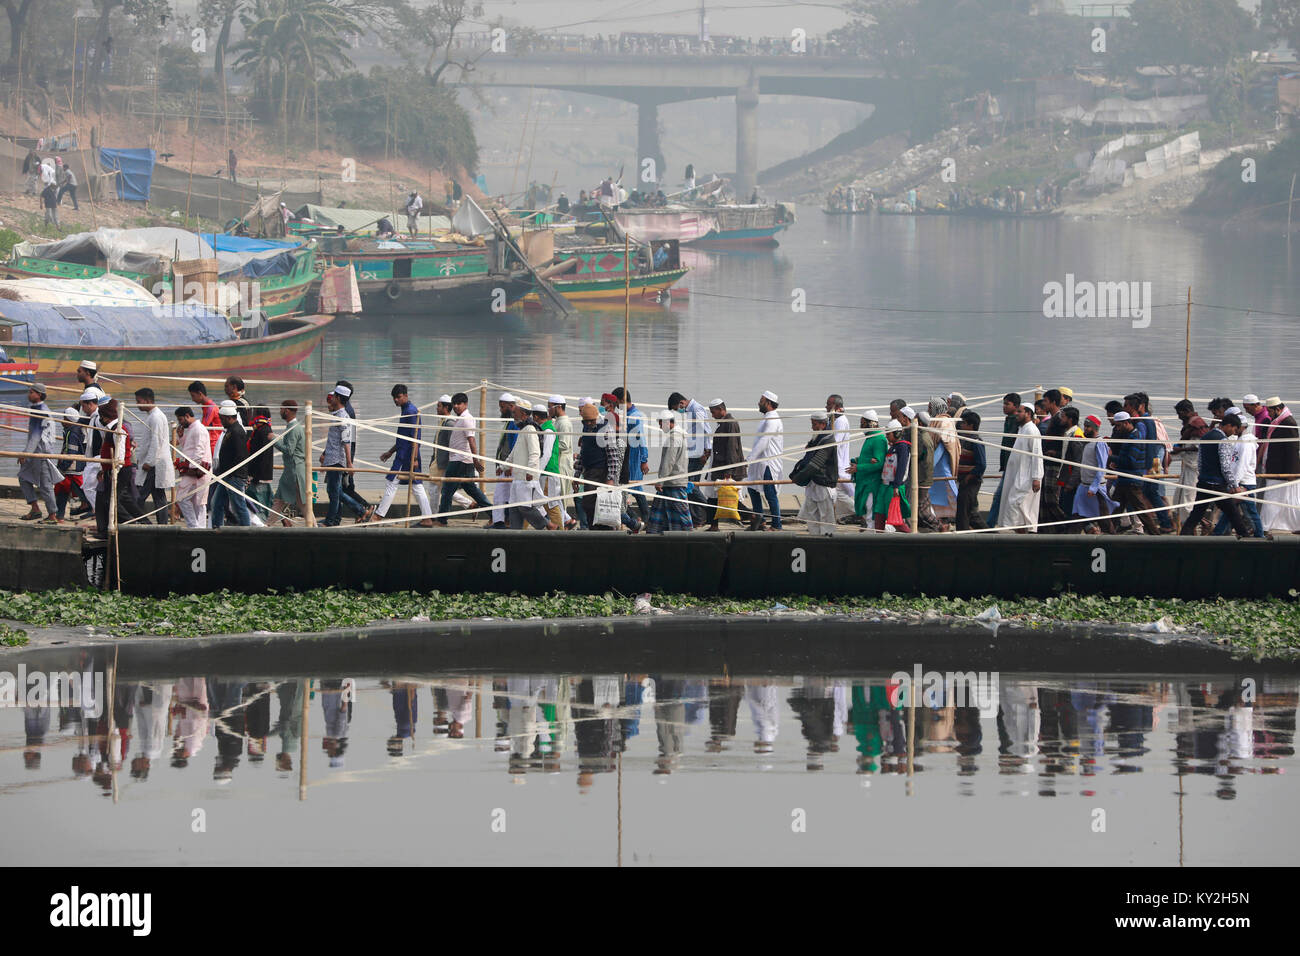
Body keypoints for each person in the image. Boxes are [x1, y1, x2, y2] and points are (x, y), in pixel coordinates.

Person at [1179, 413, 1256, 538]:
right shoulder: (1223, 440)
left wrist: (1202, 476)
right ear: (1229, 425)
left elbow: (1200, 462)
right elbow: (1226, 466)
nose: (1233, 433)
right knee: (1233, 513)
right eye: (1234, 430)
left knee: (1196, 514)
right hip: (1217, 485)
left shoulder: (1205, 437)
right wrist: (1234, 485)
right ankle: (1246, 538)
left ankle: (1182, 538)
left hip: (1204, 482)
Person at [373, 384, 434, 527]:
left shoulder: (411, 411)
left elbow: (415, 438)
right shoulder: (405, 410)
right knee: (417, 486)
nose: (396, 400)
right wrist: (390, 452)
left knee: (392, 483)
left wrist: (414, 459)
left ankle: (378, 516)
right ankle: (427, 518)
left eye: (399, 397)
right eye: (394, 398)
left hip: (406, 457)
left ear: (405, 396)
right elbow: (402, 438)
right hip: (403, 453)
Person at [437, 392, 492, 524]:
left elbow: (471, 440)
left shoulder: (466, 418)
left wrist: (475, 460)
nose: (456, 406)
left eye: (459, 404)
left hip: (460, 460)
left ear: (465, 404)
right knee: (472, 490)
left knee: (447, 490)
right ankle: (494, 514)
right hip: (462, 460)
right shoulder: (460, 418)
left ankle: (442, 520)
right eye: (454, 404)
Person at [94, 399, 146, 536]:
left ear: (104, 417)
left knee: (111, 500)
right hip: (113, 469)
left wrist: (115, 470)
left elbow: (120, 453)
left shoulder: (118, 430)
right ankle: (141, 521)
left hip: (120, 470)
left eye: (102, 417)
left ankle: (131, 523)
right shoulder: (112, 428)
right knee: (120, 498)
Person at [1213, 407, 1266, 538]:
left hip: (1244, 483)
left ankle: (1259, 536)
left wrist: (1234, 484)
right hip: (1239, 482)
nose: (1235, 430)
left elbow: (1242, 464)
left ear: (1242, 427)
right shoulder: (1240, 441)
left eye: (1237, 427)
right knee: (1229, 510)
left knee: (1250, 512)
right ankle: (1218, 533)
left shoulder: (1246, 443)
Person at [319, 388, 368, 526]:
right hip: (332, 459)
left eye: (334, 396)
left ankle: (334, 520)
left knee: (334, 491)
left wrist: (349, 463)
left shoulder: (344, 417)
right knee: (335, 491)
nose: (332, 398)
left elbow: (347, 441)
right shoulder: (337, 414)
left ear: (339, 398)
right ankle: (337, 518)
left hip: (337, 460)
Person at [503, 400, 553, 530]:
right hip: (518, 477)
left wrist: (530, 471)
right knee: (514, 506)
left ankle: (548, 525)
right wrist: (504, 466)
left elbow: (535, 453)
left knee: (525, 507)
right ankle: (515, 533)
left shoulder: (530, 429)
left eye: (516, 412)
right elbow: (514, 452)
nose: (513, 415)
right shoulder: (523, 429)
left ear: (524, 414)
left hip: (526, 477)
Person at [17, 383, 62, 523]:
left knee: (45, 484)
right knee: (23, 477)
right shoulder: (35, 409)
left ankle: (52, 515)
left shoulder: (41, 410)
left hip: (41, 452)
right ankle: (35, 509)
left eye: (32, 392)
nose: (29, 395)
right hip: (34, 451)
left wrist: (26, 453)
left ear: (39, 395)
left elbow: (36, 435)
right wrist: (27, 452)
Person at [1108, 411, 1158, 535]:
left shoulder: (1135, 438)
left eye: (1119, 426)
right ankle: (1108, 534)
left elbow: (1131, 461)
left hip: (1131, 481)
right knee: (1116, 508)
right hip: (1124, 479)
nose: (1117, 429)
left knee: (1141, 511)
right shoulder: (1132, 436)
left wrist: (1112, 458)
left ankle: (1156, 536)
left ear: (1126, 423)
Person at [995, 404, 1043, 534]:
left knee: (1016, 505)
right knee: (1018, 510)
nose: (1016, 414)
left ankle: (1024, 537)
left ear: (1028, 413)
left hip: (1026, 477)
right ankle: (1021, 537)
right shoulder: (1022, 429)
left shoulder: (1032, 430)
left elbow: (1037, 455)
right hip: (1017, 475)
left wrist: (1037, 478)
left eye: (1019, 411)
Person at [790, 410, 838, 536]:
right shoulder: (817, 438)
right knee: (812, 513)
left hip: (823, 482)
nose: (812, 427)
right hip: (814, 482)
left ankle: (827, 538)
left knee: (825, 514)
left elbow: (816, 463)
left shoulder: (828, 440)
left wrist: (798, 478)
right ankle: (814, 536)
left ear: (822, 424)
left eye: (814, 424)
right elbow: (808, 458)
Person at [669, 391, 713, 526]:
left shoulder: (696, 409)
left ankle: (710, 511)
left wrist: (706, 452)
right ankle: (698, 519)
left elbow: (706, 430)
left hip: (698, 454)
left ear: (681, 403)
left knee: (690, 485)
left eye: (678, 409)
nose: (679, 412)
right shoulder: (690, 411)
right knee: (691, 486)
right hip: (693, 452)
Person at [132, 388, 174, 524]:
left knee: (139, 496)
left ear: (148, 400)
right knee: (158, 497)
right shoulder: (152, 416)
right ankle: (162, 525)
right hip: (154, 462)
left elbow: (156, 442)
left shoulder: (155, 417)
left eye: (139, 401)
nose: (137, 404)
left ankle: (141, 522)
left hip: (154, 464)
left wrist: (149, 462)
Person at [646, 410, 693, 533]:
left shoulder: (674, 438)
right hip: (671, 482)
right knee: (661, 511)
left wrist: (661, 480)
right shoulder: (679, 436)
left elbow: (669, 462)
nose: (660, 427)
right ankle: (656, 533)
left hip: (674, 482)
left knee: (681, 513)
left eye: (661, 424)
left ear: (668, 423)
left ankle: (689, 536)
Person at [1259, 397, 1300, 533]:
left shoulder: (1288, 423)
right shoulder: (1278, 422)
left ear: (1277, 409)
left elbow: (1293, 450)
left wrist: (1291, 473)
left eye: (1270, 411)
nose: (1269, 415)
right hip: (1276, 468)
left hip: (1283, 471)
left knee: (1278, 499)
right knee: (1277, 499)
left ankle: (1266, 526)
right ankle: (1272, 525)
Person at [745, 390, 784, 531]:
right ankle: (760, 521)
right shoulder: (767, 417)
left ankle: (776, 525)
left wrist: (749, 459)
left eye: (761, 400)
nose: (759, 403)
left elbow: (765, 441)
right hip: (760, 462)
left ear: (768, 403)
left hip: (768, 463)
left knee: (770, 494)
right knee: (752, 488)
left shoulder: (773, 418)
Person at [211, 400, 252, 528]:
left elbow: (240, 455)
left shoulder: (237, 431)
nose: (221, 421)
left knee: (239, 505)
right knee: (216, 503)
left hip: (234, 476)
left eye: (222, 419)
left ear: (229, 418)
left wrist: (233, 473)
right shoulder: (230, 429)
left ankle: (246, 530)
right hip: (227, 475)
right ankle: (217, 528)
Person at [705, 399, 745, 531]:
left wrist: (729, 470)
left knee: (730, 499)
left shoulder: (730, 423)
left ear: (721, 409)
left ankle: (754, 517)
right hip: (718, 468)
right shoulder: (722, 424)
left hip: (726, 469)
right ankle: (713, 525)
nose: (712, 415)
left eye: (713, 412)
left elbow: (732, 447)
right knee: (713, 497)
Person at [1072, 414, 1114, 534]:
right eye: (1085, 426)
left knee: (1104, 519)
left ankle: (1114, 542)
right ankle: (1069, 543)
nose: (1085, 429)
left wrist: (1094, 487)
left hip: (1096, 488)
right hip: (1084, 486)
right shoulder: (1088, 443)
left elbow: (1101, 468)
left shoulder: (1099, 443)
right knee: (1077, 515)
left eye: (1088, 427)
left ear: (1095, 428)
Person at [614, 387, 650, 522]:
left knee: (634, 486)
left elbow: (641, 438)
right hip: (626, 454)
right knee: (629, 487)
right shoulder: (625, 415)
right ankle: (637, 517)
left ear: (622, 400)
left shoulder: (635, 415)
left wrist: (644, 459)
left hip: (634, 456)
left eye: (617, 402)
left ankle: (644, 518)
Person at [1172, 399, 1209, 527]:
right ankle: (1192, 526)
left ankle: (1202, 524)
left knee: (1188, 500)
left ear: (1187, 412)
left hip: (1194, 468)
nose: (1178, 417)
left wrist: (1181, 449)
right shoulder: (1191, 424)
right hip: (1188, 465)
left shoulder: (1197, 425)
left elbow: (1200, 446)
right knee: (1179, 499)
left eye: (1180, 413)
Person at [174, 406, 212, 528]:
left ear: (187, 416)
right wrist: (181, 437)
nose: (180, 422)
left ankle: (195, 527)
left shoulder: (198, 429)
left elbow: (199, 450)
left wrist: (191, 468)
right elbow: (189, 448)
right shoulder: (192, 429)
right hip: (195, 468)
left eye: (180, 419)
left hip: (197, 469)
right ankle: (197, 527)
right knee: (197, 501)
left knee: (187, 499)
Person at [986, 392, 1020, 526]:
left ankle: (990, 525)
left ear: (1016, 406)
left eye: (1007, 404)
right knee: (1003, 497)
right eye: (1004, 403)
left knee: (999, 497)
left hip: (1013, 466)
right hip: (1008, 465)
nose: (1004, 407)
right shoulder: (1009, 420)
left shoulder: (1017, 422)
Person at [926, 395, 959, 530]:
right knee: (936, 494)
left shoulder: (944, 421)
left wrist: (930, 464)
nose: (928, 410)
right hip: (936, 464)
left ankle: (956, 517)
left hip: (941, 463)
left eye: (930, 407)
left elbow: (943, 444)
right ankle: (941, 522)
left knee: (948, 489)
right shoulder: (935, 420)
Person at [54, 405, 92, 520]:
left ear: (68, 420)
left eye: (64, 418)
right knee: (69, 490)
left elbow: (71, 451)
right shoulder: (74, 430)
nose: (62, 421)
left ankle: (60, 515)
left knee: (64, 489)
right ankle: (60, 515)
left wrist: (63, 466)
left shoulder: (72, 433)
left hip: (71, 468)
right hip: (75, 467)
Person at [874, 421, 911, 532]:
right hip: (884, 486)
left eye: (888, 434)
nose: (887, 437)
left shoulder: (903, 447)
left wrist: (896, 486)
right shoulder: (893, 447)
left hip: (894, 487)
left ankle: (912, 539)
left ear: (896, 434)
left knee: (895, 520)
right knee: (879, 515)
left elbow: (902, 467)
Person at [850, 409, 885, 524]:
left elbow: (879, 463)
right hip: (864, 482)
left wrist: (858, 467)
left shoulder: (878, 439)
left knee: (871, 512)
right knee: (866, 510)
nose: (861, 426)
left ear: (870, 423)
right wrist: (856, 461)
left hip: (872, 484)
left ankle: (873, 537)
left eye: (863, 423)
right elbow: (868, 458)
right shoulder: (870, 438)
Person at [490, 393, 520, 528]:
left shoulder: (514, 423)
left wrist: (509, 466)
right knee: (507, 497)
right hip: (505, 466)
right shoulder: (510, 421)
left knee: (499, 497)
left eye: (503, 407)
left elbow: (515, 445)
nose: (501, 410)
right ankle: (503, 521)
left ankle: (500, 522)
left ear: (511, 406)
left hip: (509, 467)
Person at [954, 410, 986, 531]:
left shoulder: (976, 441)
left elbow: (981, 465)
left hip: (971, 482)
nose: (961, 426)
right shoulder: (965, 440)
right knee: (969, 512)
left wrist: (969, 477)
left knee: (964, 512)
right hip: (963, 481)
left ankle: (963, 535)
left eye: (964, 423)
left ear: (971, 426)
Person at [548, 395, 576, 528]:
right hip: (557, 463)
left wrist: (547, 446)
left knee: (561, 496)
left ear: (558, 407)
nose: (548, 409)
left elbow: (564, 445)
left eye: (550, 406)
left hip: (563, 464)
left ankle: (563, 524)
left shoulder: (563, 423)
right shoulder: (557, 421)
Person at [188, 380, 221, 456]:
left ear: (200, 394)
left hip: (213, 444)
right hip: (210, 442)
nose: (192, 399)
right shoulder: (205, 406)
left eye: (193, 396)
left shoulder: (210, 407)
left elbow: (203, 426)